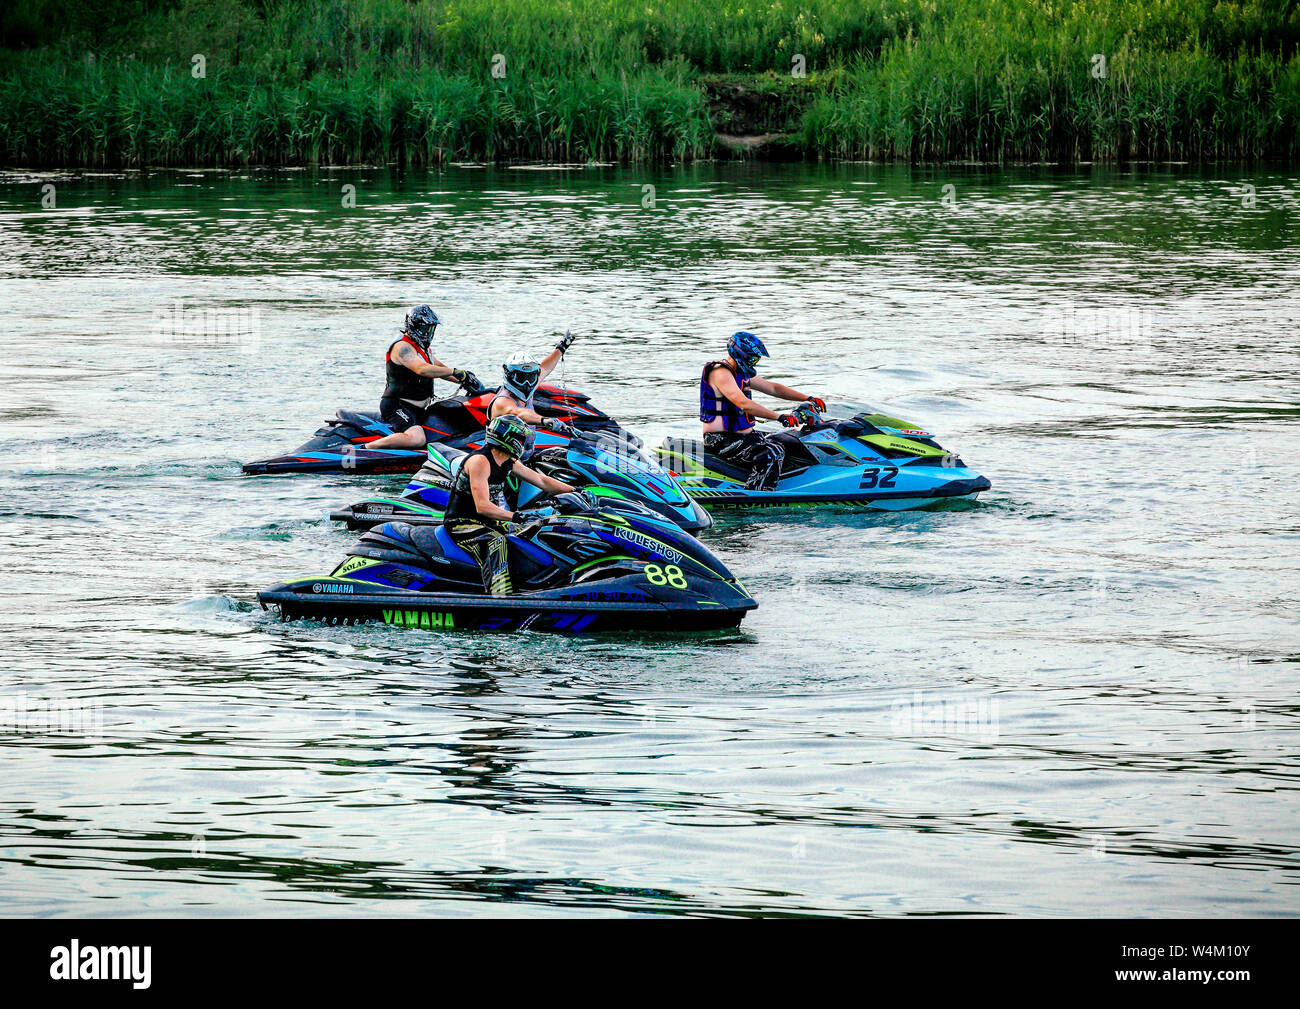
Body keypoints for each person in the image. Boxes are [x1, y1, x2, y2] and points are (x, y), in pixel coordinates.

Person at [442, 414, 577, 595]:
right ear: (508, 439)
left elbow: (541, 480)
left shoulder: (508, 461)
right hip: (462, 522)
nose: (523, 443)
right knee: (496, 542)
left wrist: (576, 492)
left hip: (488, 522)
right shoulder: (480, 462)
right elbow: (482, 506)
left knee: (534, 530)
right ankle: (499, 594)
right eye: (521, 439)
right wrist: (516, 516)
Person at [700, 331, 826, 491]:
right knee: (772, 451)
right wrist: (779, 417)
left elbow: (773, 388)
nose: (754, 363)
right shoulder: (720, 372)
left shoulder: (741, 373)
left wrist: (808, 398)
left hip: (743, 435)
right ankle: (757, 493)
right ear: (741, 354)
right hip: (720, 439)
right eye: (753, 358)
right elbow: (743, 403)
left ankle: (797, 486)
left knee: (789, 441)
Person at [369, 305, 477, 451]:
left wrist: (464, 379)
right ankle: (368, 447)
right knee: (417, 439)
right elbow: (422, 369)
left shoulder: (423, 348)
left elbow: (438, 368)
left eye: (431, 329)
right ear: (413, 327)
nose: (427, 333)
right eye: (424, 329)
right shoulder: (403, 347)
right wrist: (455, 371)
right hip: (398, 406)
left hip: (420, 408)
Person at [488, 330, 577, 428]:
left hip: (525, 443)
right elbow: (518, 413)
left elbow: (546, 368)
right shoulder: (502, 401)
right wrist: (544, 420)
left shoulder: (530, 387)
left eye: (530, 377)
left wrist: (562, 347)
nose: (526, 384)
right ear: (509, 376)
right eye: (521, 378)